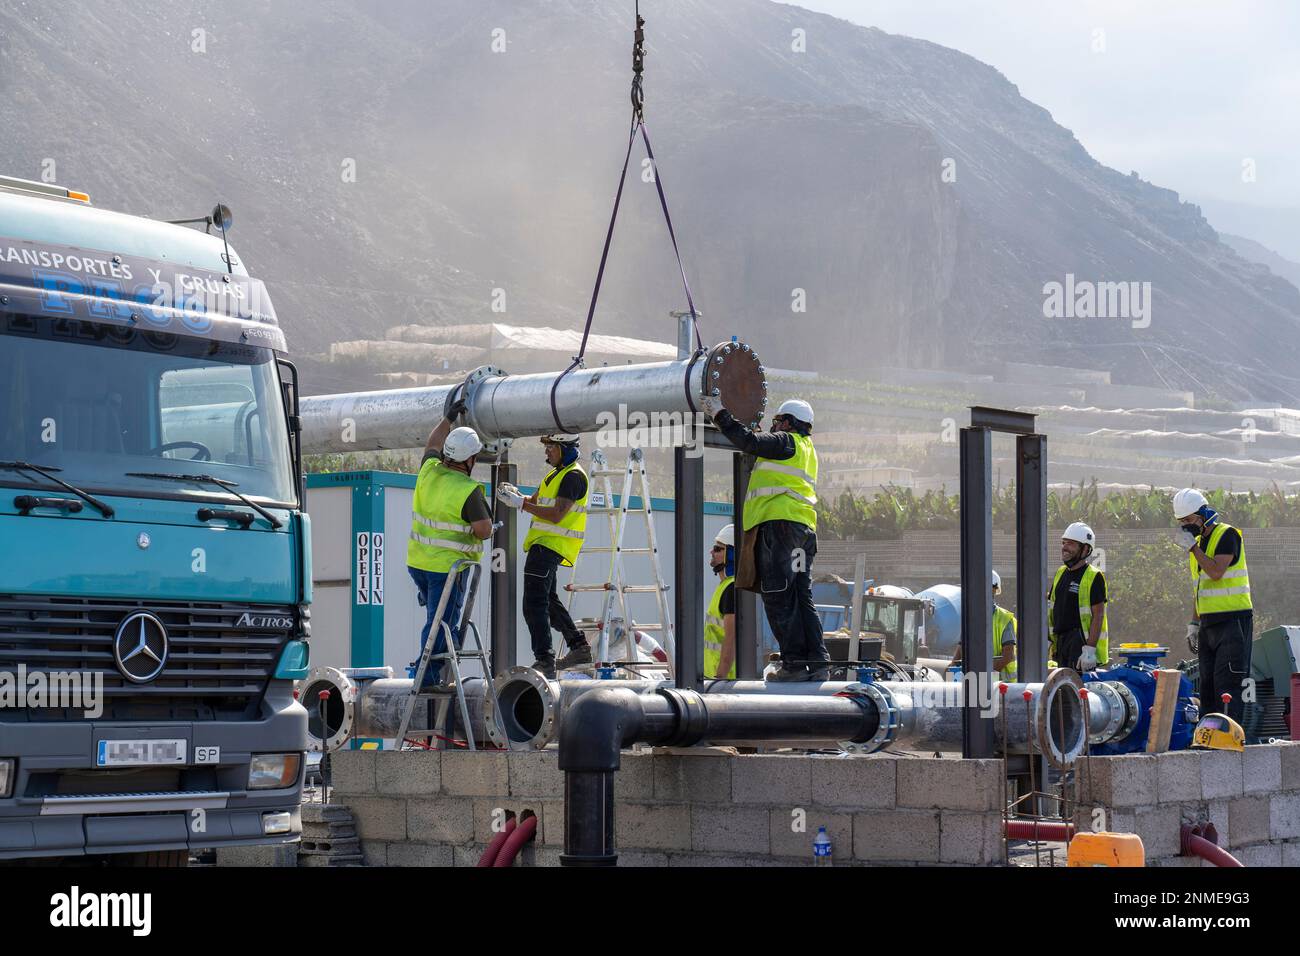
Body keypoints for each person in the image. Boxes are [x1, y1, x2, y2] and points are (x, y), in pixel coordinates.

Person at [702, 396, 828, 682]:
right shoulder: (807, 449)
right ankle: (818, 662)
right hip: (802, 530)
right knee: (800, 595)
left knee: (778, 595)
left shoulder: (785, 441)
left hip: (780, 527)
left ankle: (794, 664)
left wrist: (720, 413)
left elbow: (749, 443)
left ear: (788, 422)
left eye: (778, 421)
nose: (775, 425)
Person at [406, 390, 494, 689]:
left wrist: (447, 419)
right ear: (471, 459)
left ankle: (434, 657)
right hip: (448, 569)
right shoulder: (468, 490)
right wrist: (494, 527)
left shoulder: (429, 471)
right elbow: (482, 529)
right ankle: (428, 677)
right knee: (441, 625)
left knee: (436, 615)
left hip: (417, 563)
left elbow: (432, 443)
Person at [496, 434, 589, 679]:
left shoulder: (573, 476)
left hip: (549, 546)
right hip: (545, 546)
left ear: (565, 448)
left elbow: (557, 514)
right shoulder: (556, 474)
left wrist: (520, 504)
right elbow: (536, 501)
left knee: (533, 605)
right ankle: (579, 646)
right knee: (548, 600)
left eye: (551, 447)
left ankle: (545, 660)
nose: (546, 452)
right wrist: (517, 497)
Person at [1173, 488, 1253, 725]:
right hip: (1209, 623)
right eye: (1181, 522)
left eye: (1189, 520)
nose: (1186, 526)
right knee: (1206, 685)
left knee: (1227, 684)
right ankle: (1208, 736)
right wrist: (1194, 623)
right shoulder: (1197, 546)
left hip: (1232, 621)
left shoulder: (1226, 534)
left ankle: (1228, 737)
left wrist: (1193, 549)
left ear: (1204, 514)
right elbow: (1201, 589)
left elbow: (1216, 572)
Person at [1047, 521, 1109, 672]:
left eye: (1071, 544)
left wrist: (1089, 650)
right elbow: (1052, 607)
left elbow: (1098, 614)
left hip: (1080, 645)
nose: (1064, 547)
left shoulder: (1093, 576)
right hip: (1061, 644)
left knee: (1078, 693)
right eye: (1064, 543)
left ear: (1085, 549)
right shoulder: (1060, 573)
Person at [949, 570, 1018, 680]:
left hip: (1002, 687)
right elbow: (961, 649)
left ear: (994, 590)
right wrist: (951, 669)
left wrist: (983, 674)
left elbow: (1008, 656)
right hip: (976, 682)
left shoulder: (1005, 618)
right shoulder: (970, 618)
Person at [705, 524, 737, 679]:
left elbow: (731, 638)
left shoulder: (732, 589)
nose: (712, 552)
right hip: (714, 680)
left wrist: (719, 679)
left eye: (718, 549)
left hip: (724, 682)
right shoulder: (725, 586)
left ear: (731, 554)